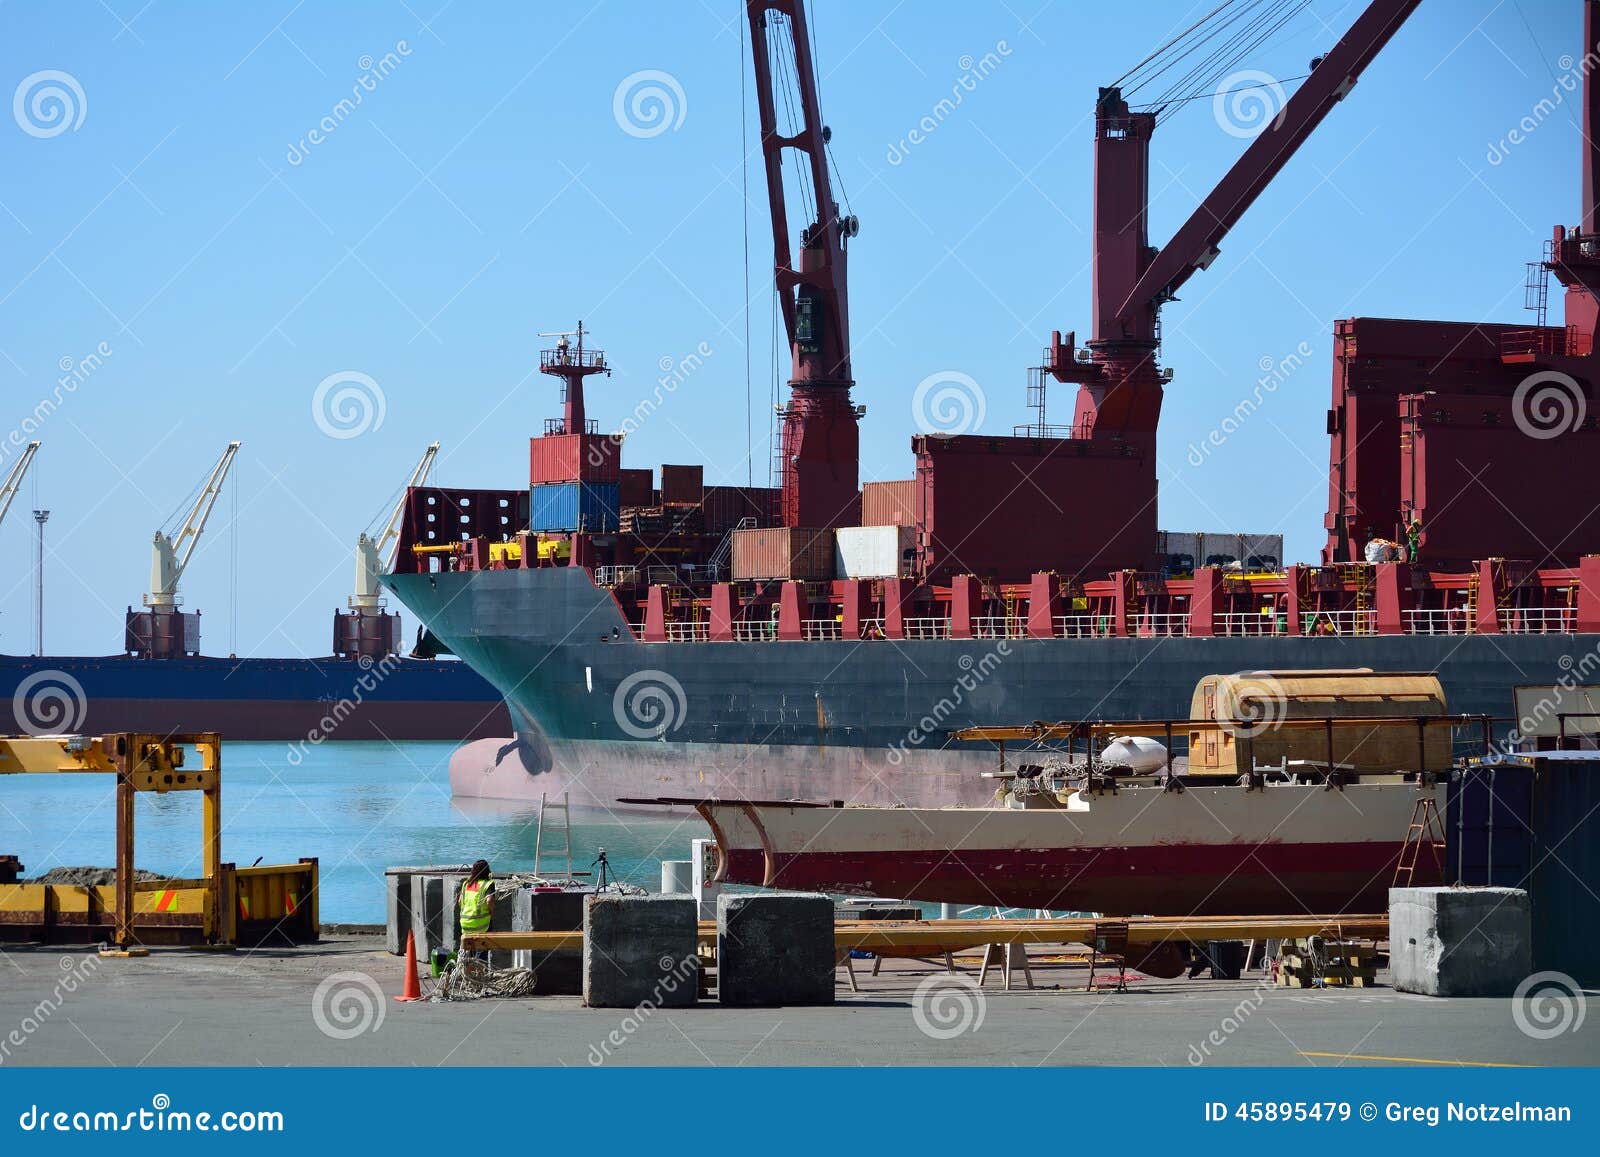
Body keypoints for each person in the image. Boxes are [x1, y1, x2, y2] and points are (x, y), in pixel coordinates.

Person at [458, 859, 495, 960]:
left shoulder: (466, 884)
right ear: (487, 871)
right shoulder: (488, 884)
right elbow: (489, 900)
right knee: (483, 948)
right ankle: (480, 968)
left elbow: (460, 901)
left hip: (465, 924)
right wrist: (491, 912)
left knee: (468, 949)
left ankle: (467, 967)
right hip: (481, 925)